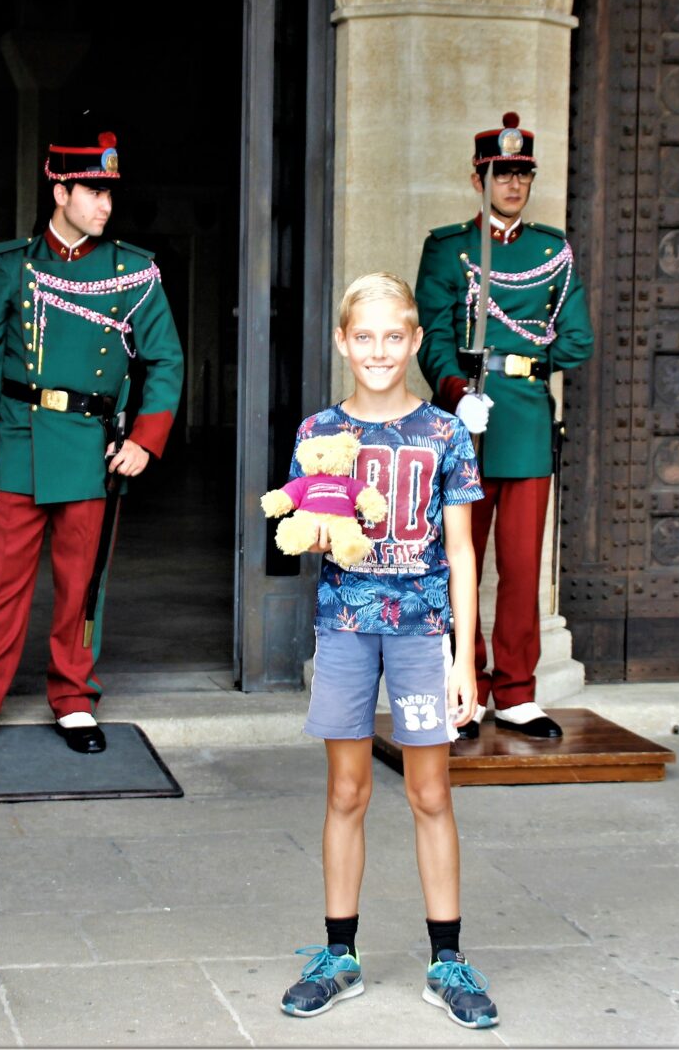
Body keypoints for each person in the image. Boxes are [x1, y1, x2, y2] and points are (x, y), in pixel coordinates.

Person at [278, 272, 499, 1030]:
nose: (378, 351)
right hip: (345, 626)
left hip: (419, 632)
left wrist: (466, 658)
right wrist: (305, 528)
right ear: (343, 342)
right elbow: (301, 524)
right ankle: (339, 953)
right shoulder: (317, 432)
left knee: (430, 791)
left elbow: (464, 553)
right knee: (346, 791)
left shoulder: (445, 433)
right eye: (363, 337)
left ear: (413, 341)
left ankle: (448, 958)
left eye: (392, 337)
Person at [0, 130, 182, 761]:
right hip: (16, 441)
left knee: (82, 584)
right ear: (60, 189)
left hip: (91, 447)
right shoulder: (12, 265)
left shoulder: (134, 270)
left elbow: (166, 361)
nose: (104, 205)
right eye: (93, 191)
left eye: (108, 193)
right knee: (0, 585)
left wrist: (146, 442)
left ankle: (73, 698)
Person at [413, 111, 595, 740]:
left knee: (521, 566)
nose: (513, 184)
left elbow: (576, 340)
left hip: (524, 421)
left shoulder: (553, 251)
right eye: (501, 172)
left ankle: (515, 692)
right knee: (455, 559)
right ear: (478, 179)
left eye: (522, 173)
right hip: (465, 417)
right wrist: (456, 388)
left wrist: (527, 358)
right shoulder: (449, 249)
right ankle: (460, 687)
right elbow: (432, 335)